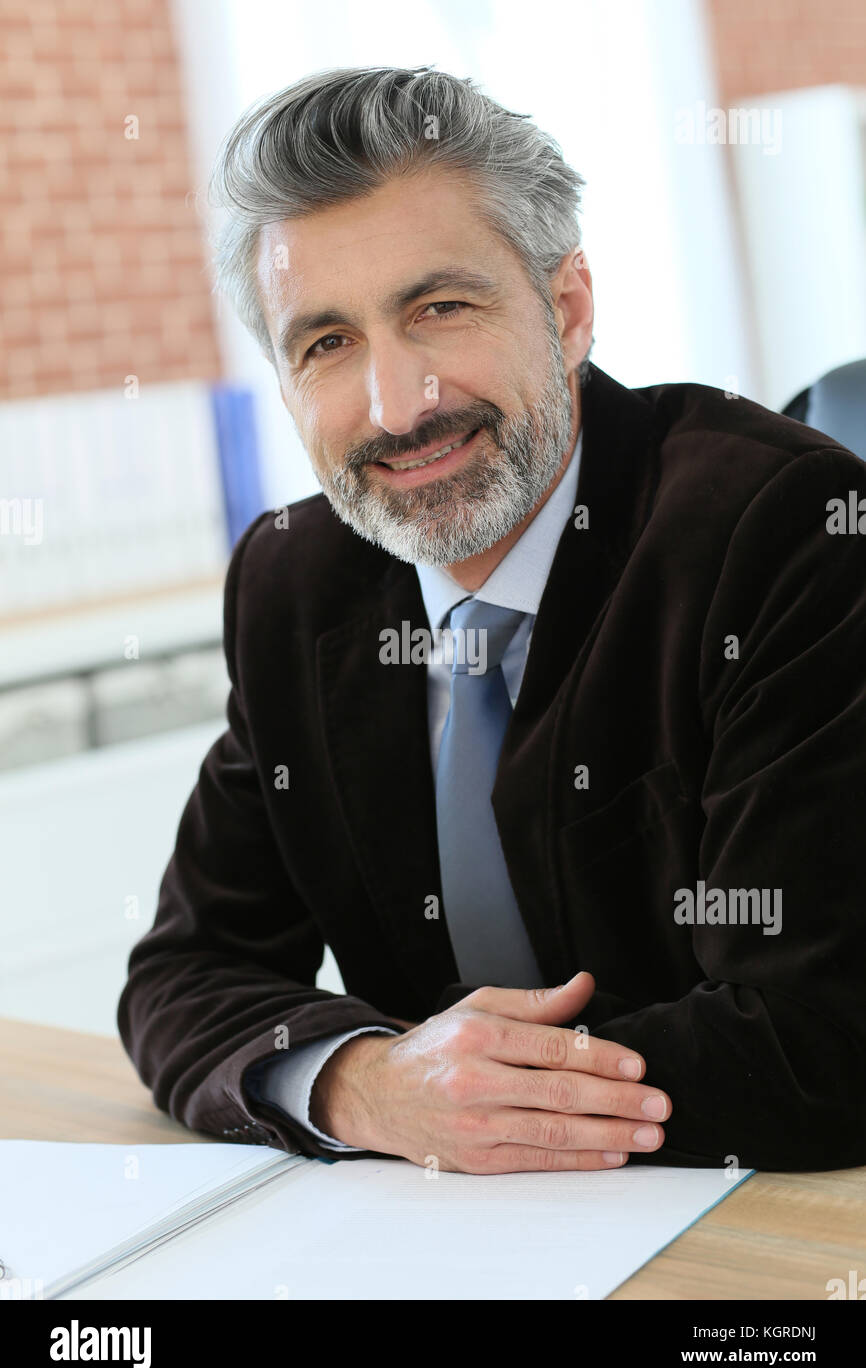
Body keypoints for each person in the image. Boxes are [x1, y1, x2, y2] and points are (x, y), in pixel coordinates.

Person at [119, 65, 866, 1175]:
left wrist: (470, 1100)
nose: (394, 402)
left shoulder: (779, 533)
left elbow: (822, 1043)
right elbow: (185, 972)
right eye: (326, 342)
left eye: (438, 308)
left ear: (565, 309)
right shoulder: (293, 583)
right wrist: (364, 1083)